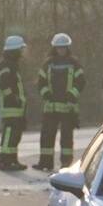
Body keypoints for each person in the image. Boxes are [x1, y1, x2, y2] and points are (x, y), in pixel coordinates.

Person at [36, 33, 85, 170]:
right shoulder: (48, 64)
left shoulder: (74, 63)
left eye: (63, 47)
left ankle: (66, 163)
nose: (61, 50)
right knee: (47, 135)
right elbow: (41, 82)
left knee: (67, 137)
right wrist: (46, 94)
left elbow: (81, 82)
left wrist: (71, 95)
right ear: (54, 48)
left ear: (67, 47)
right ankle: (45, 162)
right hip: (50, 107)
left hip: (68, 107)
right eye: (59, 48)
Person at [0, 35, 28, 171]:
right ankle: (5, 161)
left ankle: (13, 160)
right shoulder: (6, 64)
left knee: (15, 135)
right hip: (10, 106)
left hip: (16, 106)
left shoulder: (12, 64)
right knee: (9, 134)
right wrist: (12, 97)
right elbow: (4, 82)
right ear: (15, 50)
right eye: (20, 49)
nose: (22, 52)